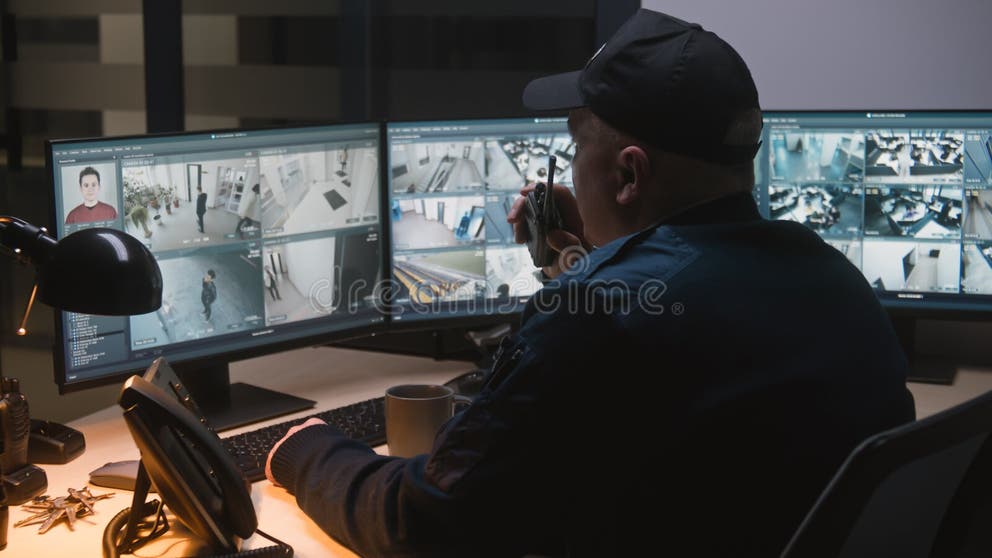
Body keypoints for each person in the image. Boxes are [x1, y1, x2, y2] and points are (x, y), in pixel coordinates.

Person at [265, 10, 915, 557]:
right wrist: (603, 248)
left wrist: (311, 453)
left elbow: (429, 521)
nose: (573, 173)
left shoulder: (596, 315)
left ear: (628, 176)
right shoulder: (836, 280)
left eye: (578, 150)